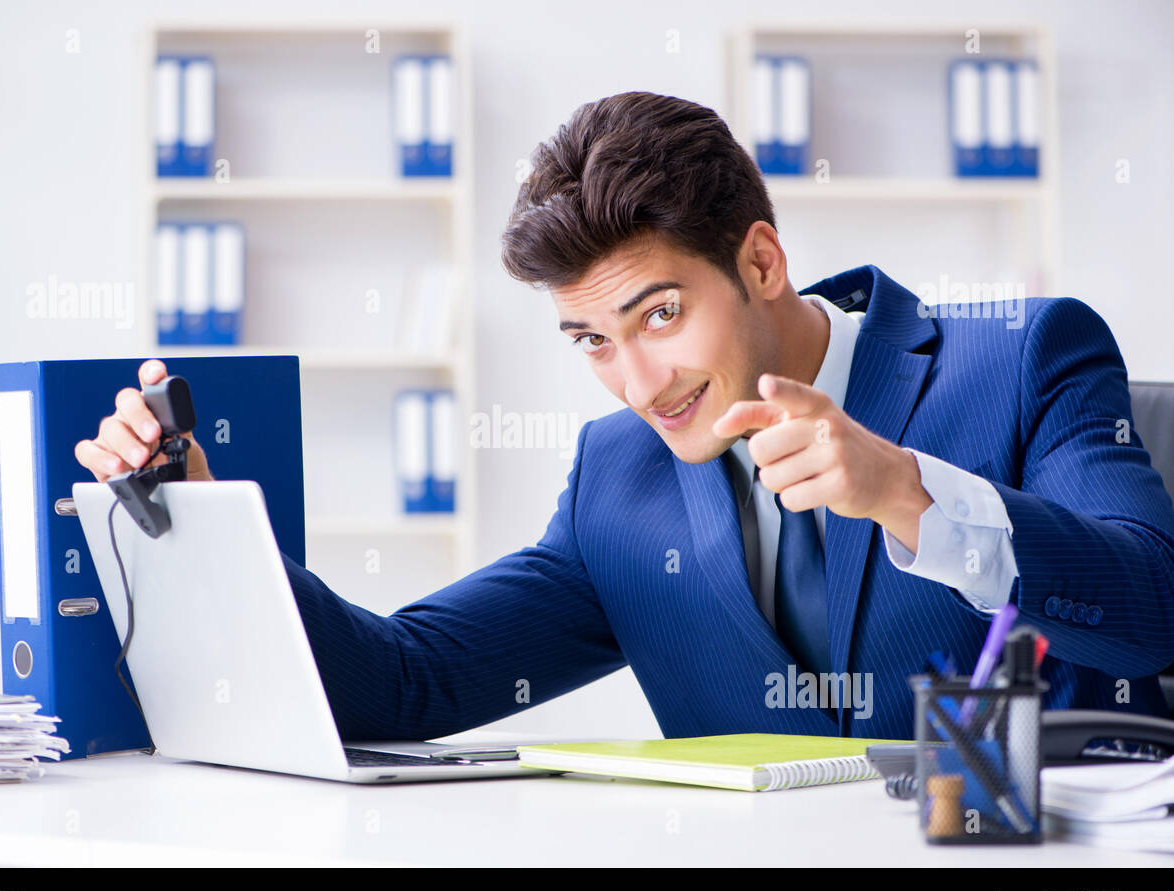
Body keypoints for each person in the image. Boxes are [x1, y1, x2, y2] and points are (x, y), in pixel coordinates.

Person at [76, 92, 1174, 741]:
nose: (640, 383)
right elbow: (404, 683)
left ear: (760, 261)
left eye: (658, 314)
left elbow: (1152, 608)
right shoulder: (618, 478)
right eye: (592, 341)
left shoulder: (1024, 357)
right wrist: (209, 530)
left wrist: (906, 493)